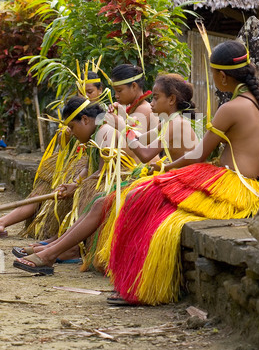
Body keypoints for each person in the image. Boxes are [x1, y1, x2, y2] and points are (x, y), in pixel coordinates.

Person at [99, 39, 259, 306]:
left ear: (222, 76)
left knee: (140, 197)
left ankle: (139, 287)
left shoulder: (230, 109)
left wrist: (165, 167)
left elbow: (199, 155)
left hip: (229, 187)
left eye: (213, 73)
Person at [12, 72, 199, 275]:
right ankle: (52, 250)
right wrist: (120, 121)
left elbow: (144, 154)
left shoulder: (176, 123)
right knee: (101, 201)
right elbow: (141, 139)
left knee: (105, 202)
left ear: (171, 100)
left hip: (183, 185)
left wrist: (124, 129)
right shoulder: (168, 121)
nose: (151, 102)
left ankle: (52, 252)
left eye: (155, 97)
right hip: (173, 180)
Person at [0, 72, 104, 240]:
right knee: (40, 191)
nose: (85, 95)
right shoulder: (81, 120)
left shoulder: (104, 121)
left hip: (86, 171)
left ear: (101, 90)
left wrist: (78, 183)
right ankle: (3, 221)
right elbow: (67, 150)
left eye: (90, 91)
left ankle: (62, 242)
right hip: (69, 167)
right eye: (80, 92)